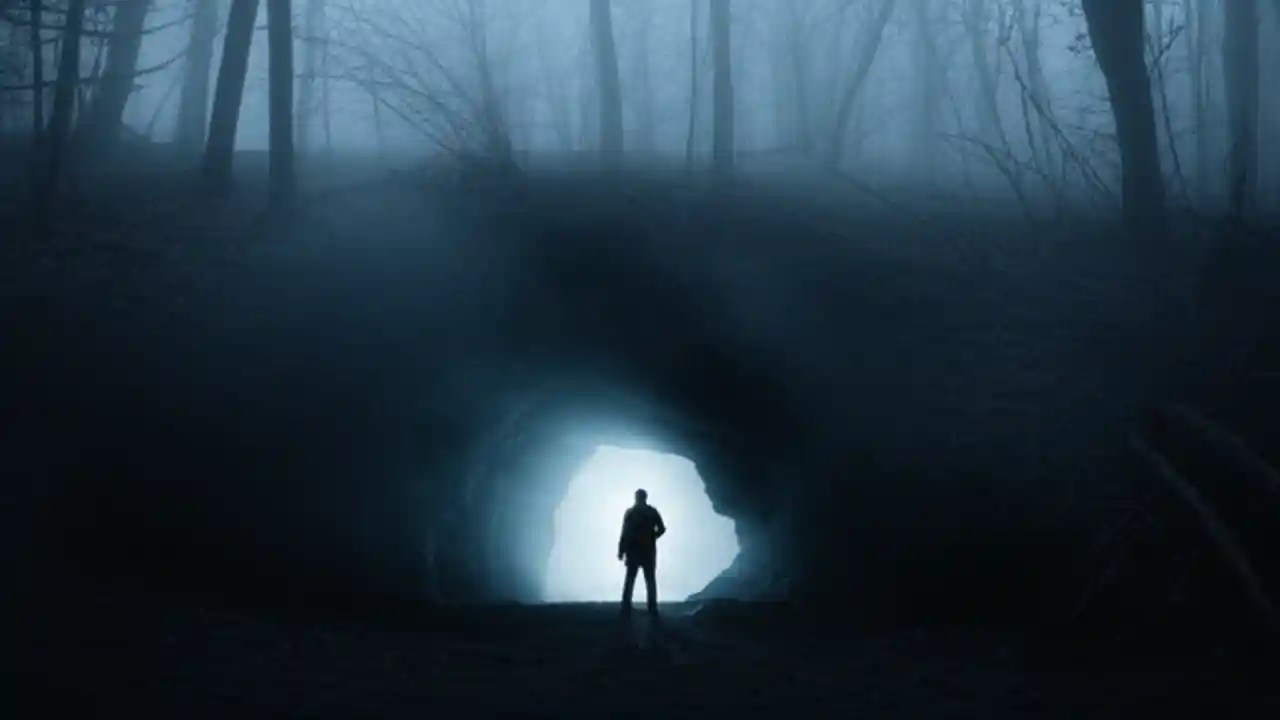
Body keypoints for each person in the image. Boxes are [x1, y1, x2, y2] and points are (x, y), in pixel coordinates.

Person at [617, 488, 666, 617]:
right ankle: (651, 606)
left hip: (634, 550)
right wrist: (652, 537)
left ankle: (626, 605)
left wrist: (621, 550)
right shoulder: (651, 511)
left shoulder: (630, 512)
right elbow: (662, 529)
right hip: (647, 550)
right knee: (649, 579)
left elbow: (625, 533)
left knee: (631, 579)